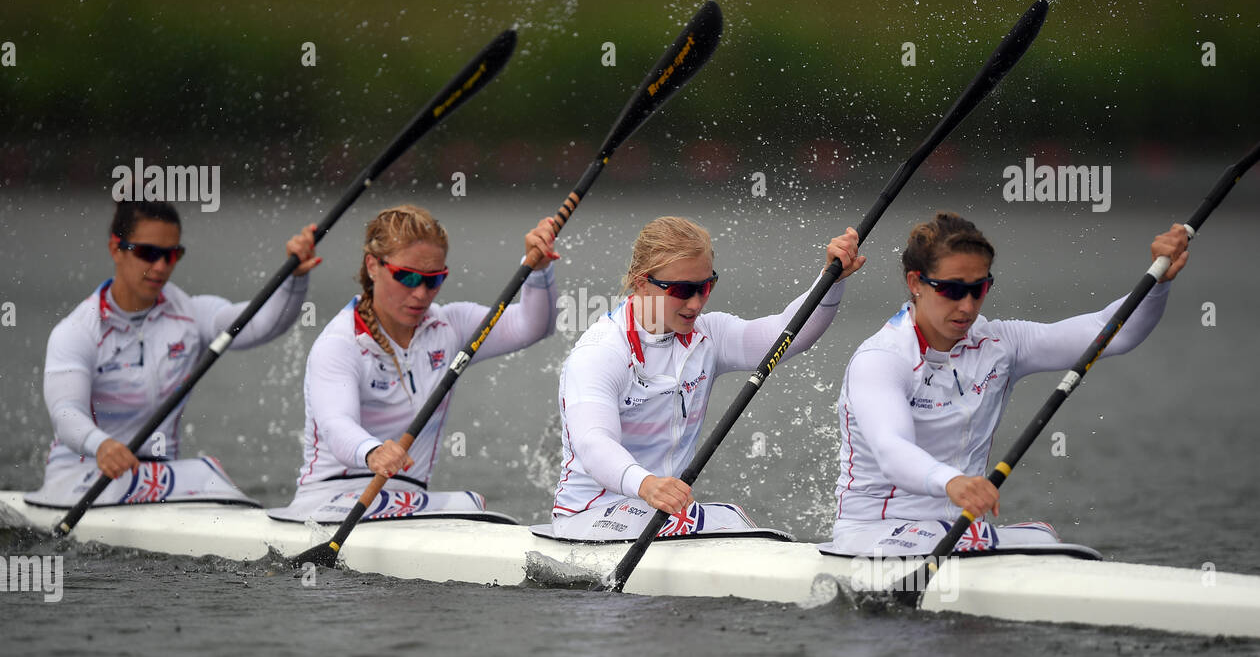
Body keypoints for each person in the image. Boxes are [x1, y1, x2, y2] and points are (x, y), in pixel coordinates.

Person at [821, 211, 1190, 556]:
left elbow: (1108, 333)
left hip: (959, 533)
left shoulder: (1001, 345)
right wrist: (952, 482)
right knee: (1027, 543)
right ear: (915, 282)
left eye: (978, 289)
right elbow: (891, 449)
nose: (967, 306)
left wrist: (1157, 280)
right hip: (873, 535)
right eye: (952, 289)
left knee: (1044, 536)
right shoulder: (882, 359)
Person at [551, 215, 865, 540]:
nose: (696, 302)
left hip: (660, 514)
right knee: (710, 521)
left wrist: (832, 279)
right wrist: (645, 484)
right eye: (682, 290)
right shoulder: (601, 353)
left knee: (734, 518)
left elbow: (789, 335)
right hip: (588, 518)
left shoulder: (708, 336)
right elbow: (593, 443)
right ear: (641, 281)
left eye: (706, 286)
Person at [269, 205, 558, 523]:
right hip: (328, 503)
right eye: (407, 277)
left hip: (407, 502)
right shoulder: (340, 343)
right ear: (373, 266)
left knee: (471, 504)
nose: (421, 294)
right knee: (465, 506)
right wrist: (373, 451)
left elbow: (532, 326)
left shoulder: (451, 327)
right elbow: (336, 425)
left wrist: (539, 270)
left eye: (434, 280)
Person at [28, 200, 319, 507]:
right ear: (116, 249)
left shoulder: (189, 316)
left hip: (156, 476)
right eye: (148, 253)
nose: (161, 266)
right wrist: (101, 446)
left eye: (172, 255)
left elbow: (262, 325)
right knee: (205, 475)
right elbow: (65, 413)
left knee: (207, 474)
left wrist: (295, 279)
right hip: (82, 478)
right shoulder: (77, 331)